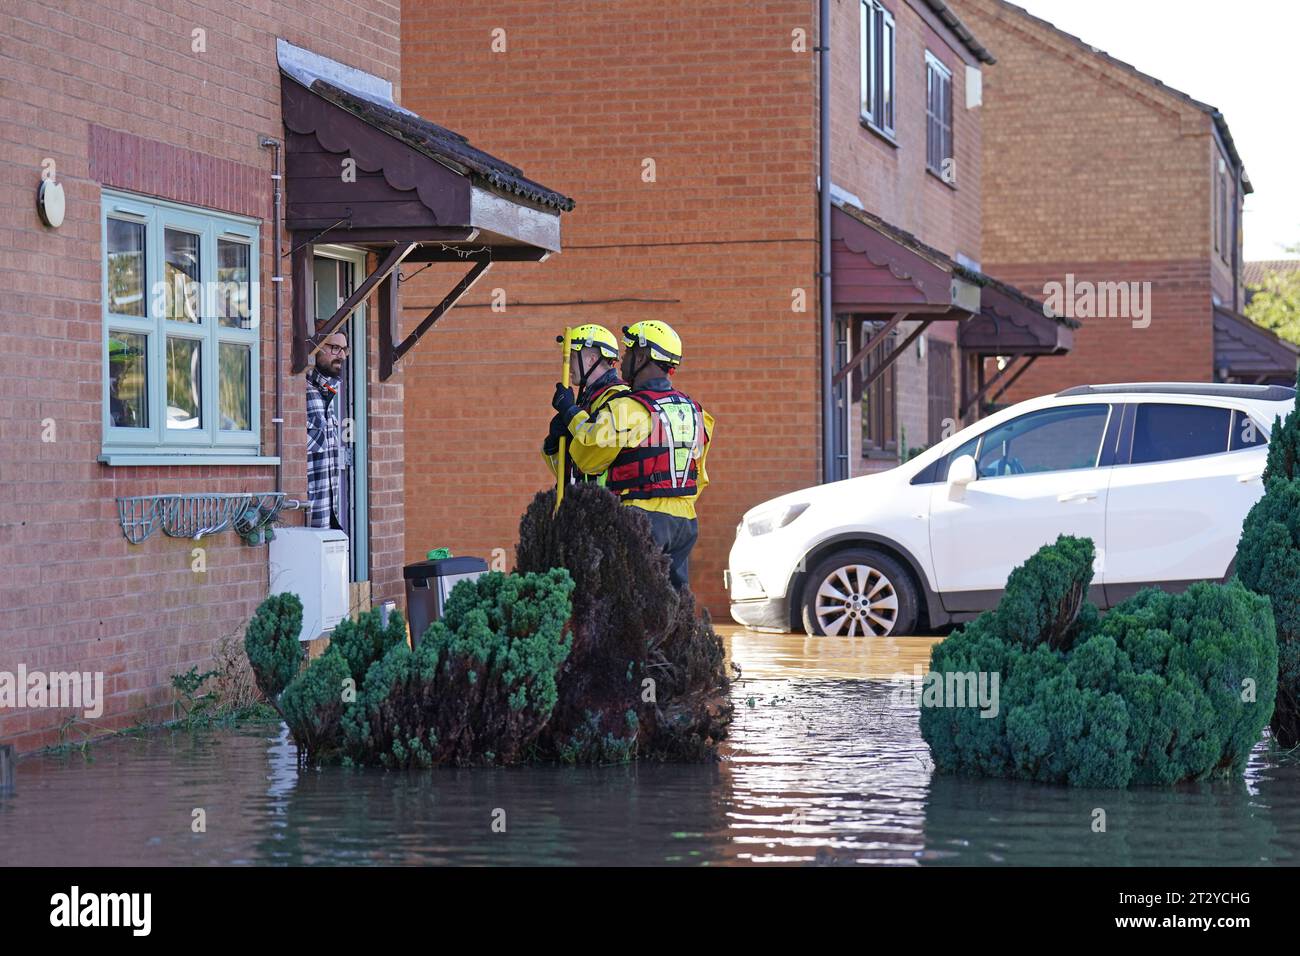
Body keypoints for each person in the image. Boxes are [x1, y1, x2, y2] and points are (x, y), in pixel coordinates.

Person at [552, 320, 714, 590]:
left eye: (627, 352)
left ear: (641, 356)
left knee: (634, 602)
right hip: (685, 522)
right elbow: (699, 474)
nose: (622, 360)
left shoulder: (627, 409)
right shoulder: (696, 412)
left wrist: (570, 412)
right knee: (673, 601)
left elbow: (590, 456)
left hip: (643, 518)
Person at [543, 324, 629, 486]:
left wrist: (570, 412)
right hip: (584, 501)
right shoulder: (587, 401)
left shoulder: (618, 397)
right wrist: (552, 445)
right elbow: (567, 471)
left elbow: (597, 444)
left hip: (608, 504)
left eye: (573, 358)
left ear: (591, 360)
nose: (569, 368)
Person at [306, 332, 348, 531]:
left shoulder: (327, 394)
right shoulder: (302, 392)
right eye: (335, 348)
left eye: (344, 349)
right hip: (304, 523)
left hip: (326, 521)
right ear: (315, 347)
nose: (342, 355)